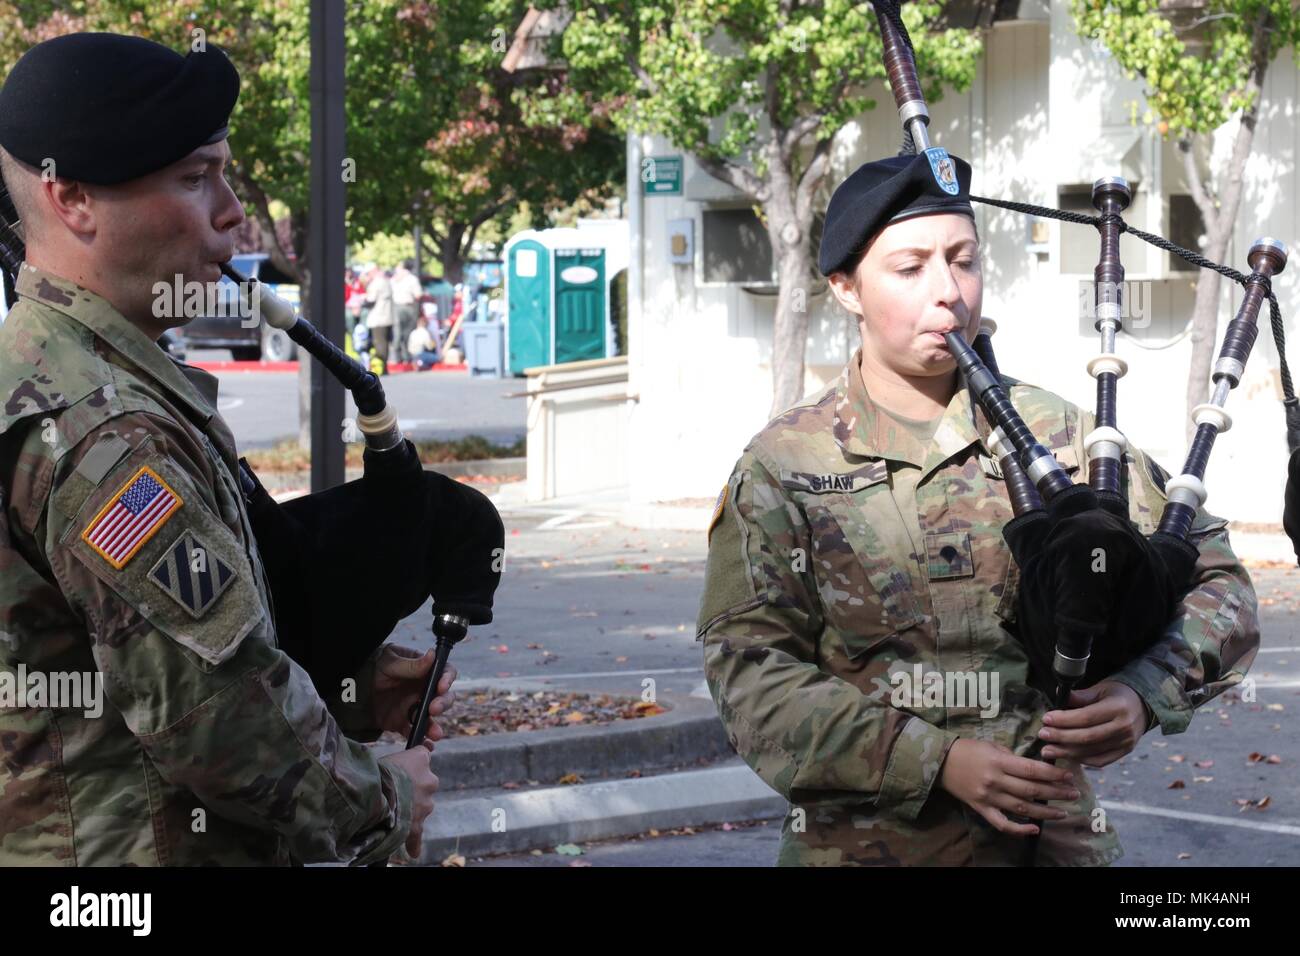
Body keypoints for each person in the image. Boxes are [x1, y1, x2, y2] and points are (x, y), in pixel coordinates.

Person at [696, 150, 1260, 866]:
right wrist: (931, 760)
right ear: (845, 287)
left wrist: (1144, 692)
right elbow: (750, 676)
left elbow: (1219, 581)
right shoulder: (789, 465)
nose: (949, 293)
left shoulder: (1066, 437)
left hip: (1050, 849)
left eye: (963, 260)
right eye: (910, 268)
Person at [0, 32, 450, 866]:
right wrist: (381, 799)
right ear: (75, 199)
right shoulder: (102, 429)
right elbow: (219, 719)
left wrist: (351, 687)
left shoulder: (59, 371)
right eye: (195, 177)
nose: (233, 213)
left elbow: (123, 666)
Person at [391, 258, 423, 365]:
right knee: (407, 332)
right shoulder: (412, 279)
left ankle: (398, 356)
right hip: (408, 307)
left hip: (397, 306)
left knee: (398, 331)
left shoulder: (394, 279)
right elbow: (418, 295)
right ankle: (405, 356)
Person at [364, 264, 395, 374]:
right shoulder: (385, 281)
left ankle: (380, 367)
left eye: (368, 274)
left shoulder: (376, 283)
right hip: (386, 317)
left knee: (379, 343)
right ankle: (384, 367)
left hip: (378, 318)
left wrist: (362, 301)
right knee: (385, 343)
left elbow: (370, 300)